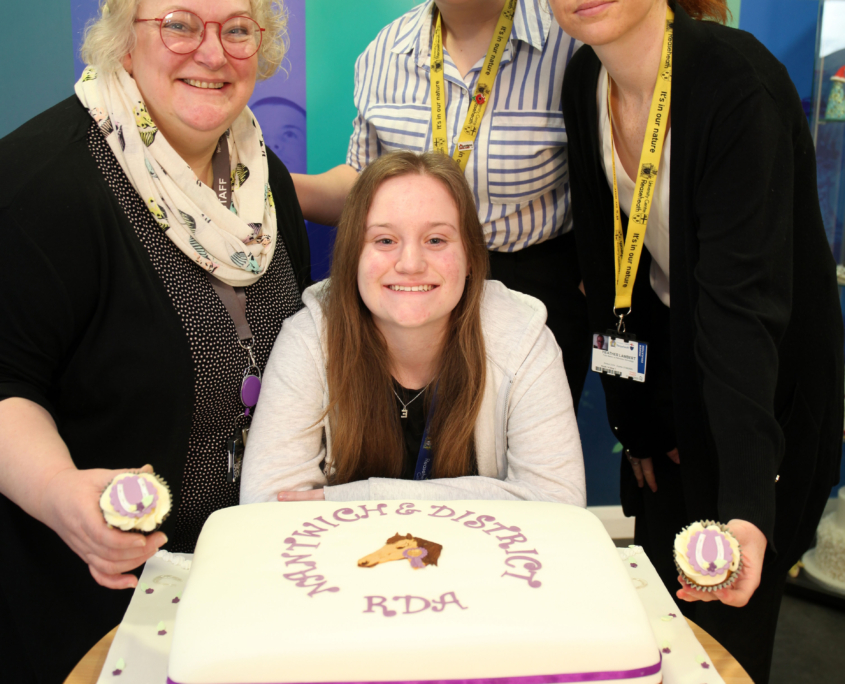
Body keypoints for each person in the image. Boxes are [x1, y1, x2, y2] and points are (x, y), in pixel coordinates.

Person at [0, 1, 310, 681]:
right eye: (178, 23)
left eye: (235, 28)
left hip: (237, 584)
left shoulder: (264, 179)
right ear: (124, 42)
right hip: (89, 601)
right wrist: (58, 491)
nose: (210, 51)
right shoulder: (40, 182)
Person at [552, 1, 843, 682]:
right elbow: (607, 269)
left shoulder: (735, 85)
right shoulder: (582, 78)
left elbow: (741, 312)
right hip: (672, 387)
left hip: (762, 396)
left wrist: (744, 500)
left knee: (721, 645)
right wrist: (640, 426)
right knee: (659, 619)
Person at [290, 0, 592, 411]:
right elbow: (363, 185)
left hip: (531, 284)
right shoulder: (384, 52)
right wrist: (272, 187)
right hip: (412, 287)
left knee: (518, 453)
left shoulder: (572, 40)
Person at [240, 150, 586, 505]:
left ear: (469, 257)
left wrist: (354, 497)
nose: (410, 264)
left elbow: (559, 504)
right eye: (385, 240)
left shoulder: (523, 340)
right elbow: (268, 506)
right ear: (353, 256)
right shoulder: (309, 338)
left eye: (436, 240)